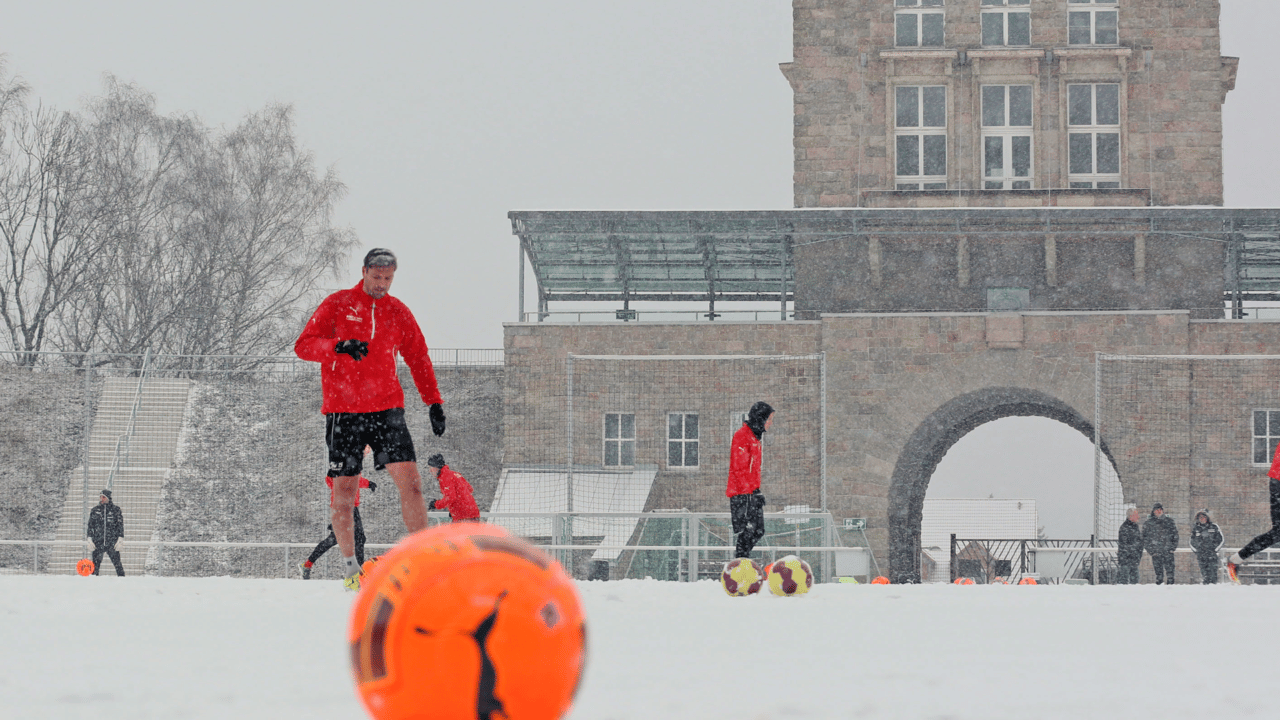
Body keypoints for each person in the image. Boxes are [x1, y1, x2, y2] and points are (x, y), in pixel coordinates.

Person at [294, 248, 446, 590]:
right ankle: (351, 572)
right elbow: (303, 346)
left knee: (413, 483)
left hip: (387, 409)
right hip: (344, 412)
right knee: (344, 492)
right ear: (364, 272)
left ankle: (423, 562)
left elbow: (418, 357)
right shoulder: (337, 304)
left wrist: (433, 401)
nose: (382, 284)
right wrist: (338, 346)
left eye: (388, 279)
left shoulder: (397, 311)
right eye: (376, 278)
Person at [300, 474, 376, 579]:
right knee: (358, 538)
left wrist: (368, 484)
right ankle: (358, 574)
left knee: (338, 539)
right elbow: (333, 480)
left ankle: (307, 564)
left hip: (350, 507)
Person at [1226, 442, 1280, 583]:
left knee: (1277, 533)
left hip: (1277, 483)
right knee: (1278, 532)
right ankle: (1235, 560)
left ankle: (1236, 560)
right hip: (1278, 484)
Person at [727, 401, 774, 559]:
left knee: (758, 531)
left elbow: (752, 470)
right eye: (769, 419)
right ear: (760, 418)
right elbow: (739, 468)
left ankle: (742, 560)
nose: (770, 423)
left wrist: (757, 491)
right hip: (742, 493)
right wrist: (751, 492)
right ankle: (740, 562)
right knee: (748, 530)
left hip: (752, 493)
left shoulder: (755, 439)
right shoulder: (742, 436)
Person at [425, 453, 479, 523]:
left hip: (463, 518)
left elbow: (450, 498)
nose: (430, 471)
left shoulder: (445, 477)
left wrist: (436, 504)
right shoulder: (455, 474)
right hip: (473, 514)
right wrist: (455, 509)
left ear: (437, 467)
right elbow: (469, 489)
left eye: (431, 468)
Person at [86, 489, 125, 577]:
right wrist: (89, 538)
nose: (101, 499)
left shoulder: (116, 510)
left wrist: (120, 538)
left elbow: (120, 525)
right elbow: (90, 526)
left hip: (112, 542)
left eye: (103, 497)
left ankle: (123, 582)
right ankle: (93, 584)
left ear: (108, 498)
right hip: (98, 542)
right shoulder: (95, 510)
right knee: (95, 567)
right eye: (100, 497)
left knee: (118, 565)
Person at [1143, 503, 1179, 585]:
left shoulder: (1169, 522)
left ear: (1162, 511)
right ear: (1153, 511)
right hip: (1156, 553)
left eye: (1160, 510)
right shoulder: (1149, 523)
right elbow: (1145, 538)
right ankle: (1159, 593)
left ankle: (1171, 592)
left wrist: (1172, 548)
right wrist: (1151, 551)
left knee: (1170, 575)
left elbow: (1175, 535)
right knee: (1159, 576)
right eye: (1156, 510)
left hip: (1168, 552)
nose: (1158, 511)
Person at [1189, 510, 1224, 584]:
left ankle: (1214, 589)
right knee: (1205, 575)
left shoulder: (1214, 527)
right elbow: (1191, 542)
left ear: (1207, 518)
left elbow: (1221, 539)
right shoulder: (1196, 529)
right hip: (1201, 555)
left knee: (1213, 574)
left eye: (1203, 517)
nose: (1202, 519)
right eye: (1200, 517)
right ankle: (1206, 590)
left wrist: (1215, 550)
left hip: (1212, 555)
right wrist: (1197, 551)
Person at [1116, 507, 1142, 585]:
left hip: (1133, 559)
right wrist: (1135, 551)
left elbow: (1138, 542)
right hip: (1126, 560)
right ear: (1131, 516)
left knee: (1135, 582)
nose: (1138, 517)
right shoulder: (1124, 528)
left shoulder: (1135, 527)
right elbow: (1125, 544)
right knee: (1124, 582)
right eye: (1136, 515)